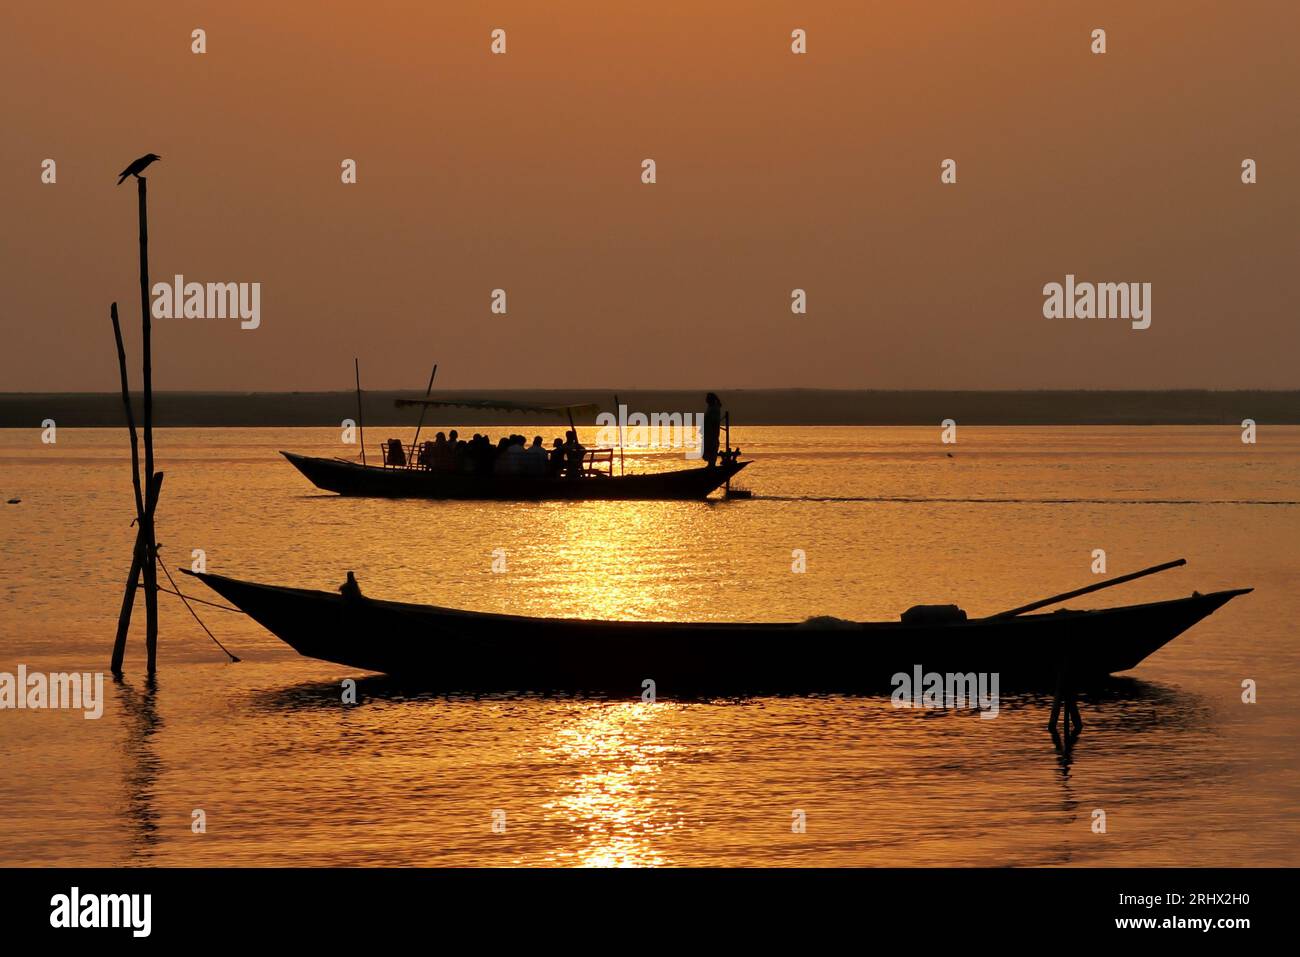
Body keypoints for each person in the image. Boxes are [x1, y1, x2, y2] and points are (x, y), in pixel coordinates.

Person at [701, 392, 723, 467]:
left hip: (712, 432)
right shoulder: (710, 407)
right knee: (708, 447)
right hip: (708, 431)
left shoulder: (715, 408)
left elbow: (714, 420)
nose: (706, 400)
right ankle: (710, 464)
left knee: (712, 446)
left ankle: (712, 464)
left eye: (707, 398)